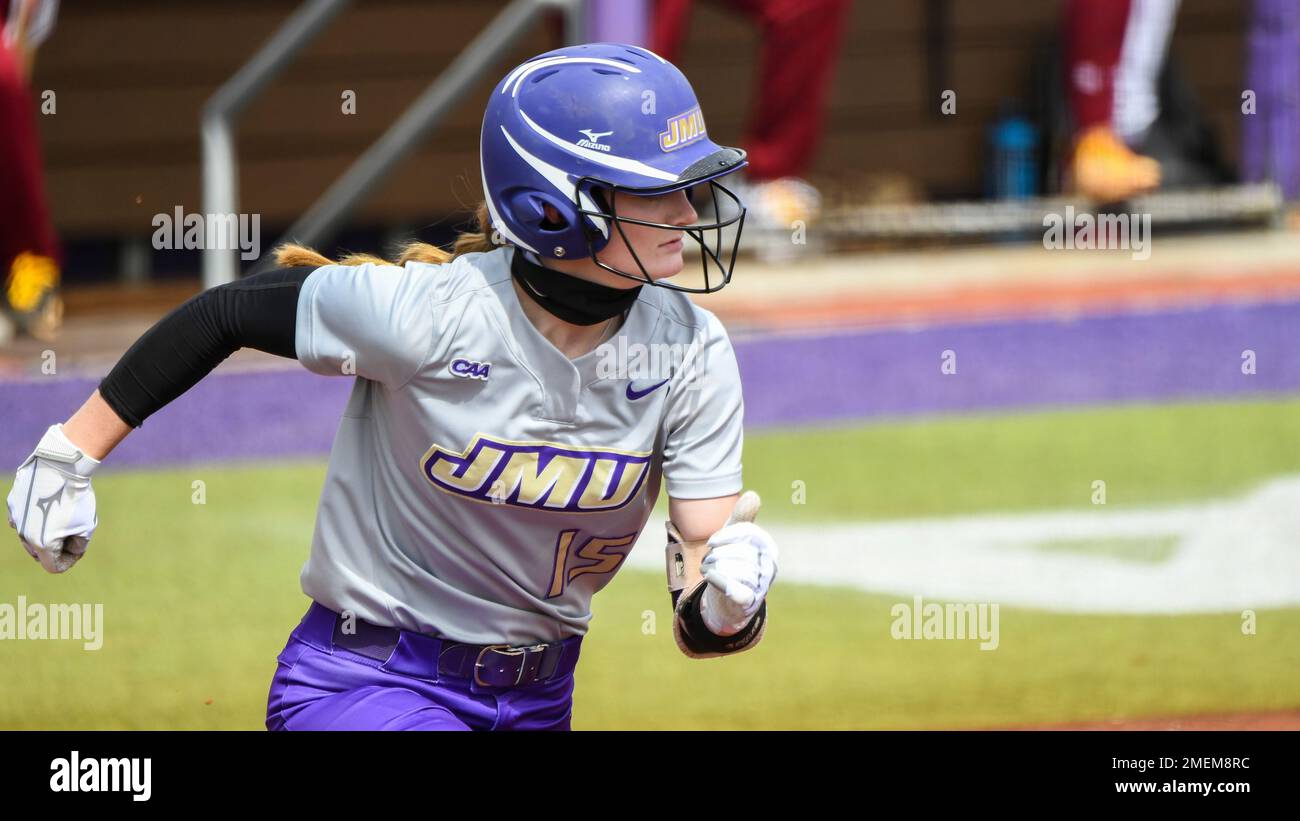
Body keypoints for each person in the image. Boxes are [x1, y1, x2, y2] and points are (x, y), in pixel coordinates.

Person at [5, 42, 780, 731]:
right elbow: (226, 313)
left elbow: (698, 617)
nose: (687, 211)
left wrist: (727, 602)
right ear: (552, 206)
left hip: (539, 700)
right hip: (363, 681)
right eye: (654, 190)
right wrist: (69, 451)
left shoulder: (692, 351)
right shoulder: (432, 314)